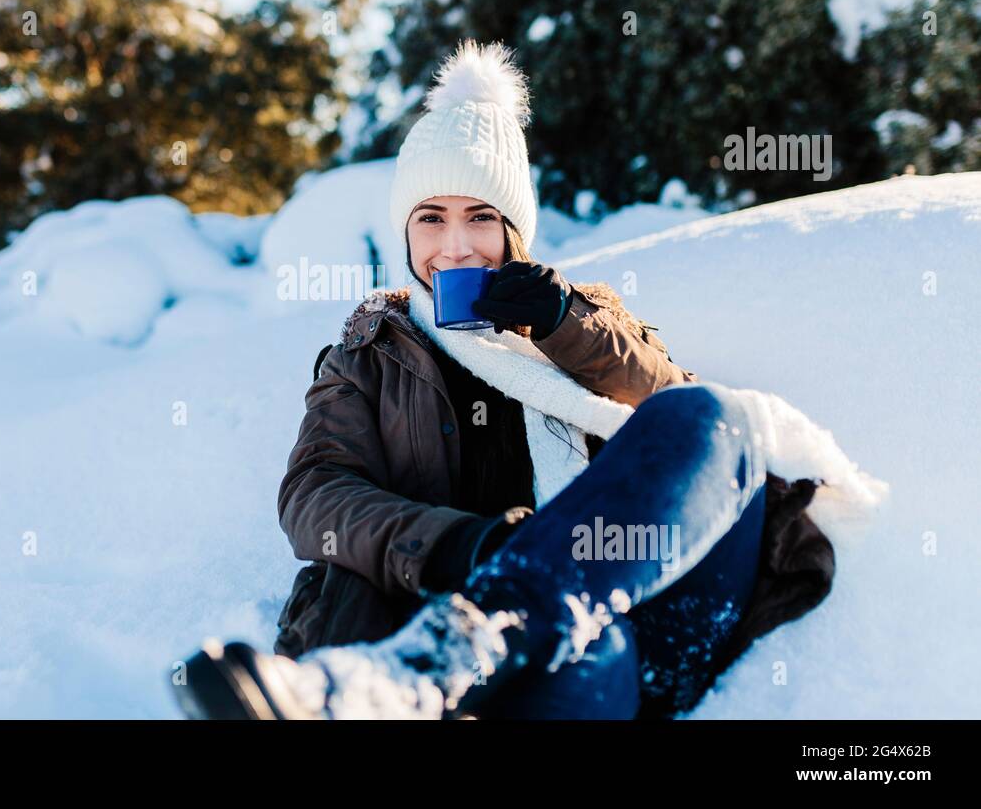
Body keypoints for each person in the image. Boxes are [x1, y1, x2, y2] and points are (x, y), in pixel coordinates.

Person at [170, 39, 835, 720]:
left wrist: (562, 324)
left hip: (621, 624)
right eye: (431, 219)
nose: (454, 245)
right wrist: (462, 545)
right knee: (580, 654)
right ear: (406, 234)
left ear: (515, 230)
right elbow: (316, 495)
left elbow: (672, 431)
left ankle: (469, 646)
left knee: (713, 417)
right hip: (467, 648)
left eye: (481, 217)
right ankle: (450, 651)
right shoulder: (371, 350)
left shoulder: (579, 321)